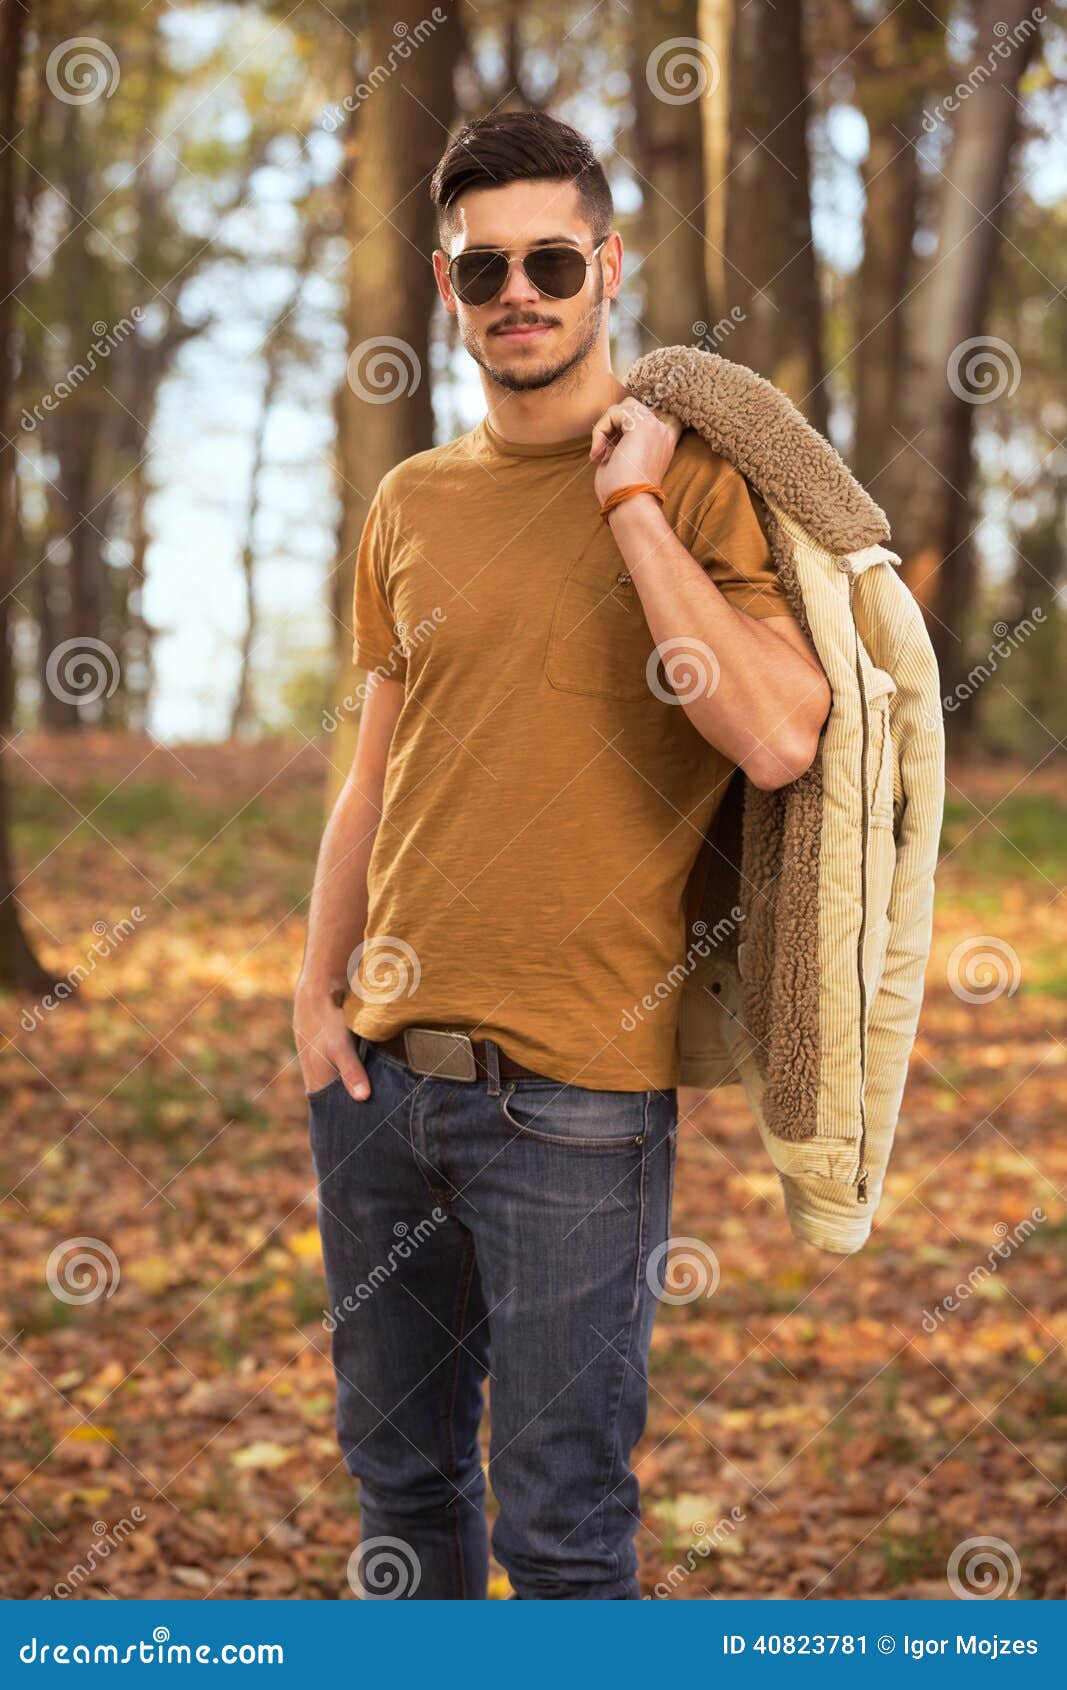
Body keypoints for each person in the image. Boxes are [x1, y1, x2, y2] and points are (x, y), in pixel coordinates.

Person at [294, 109, 830, 1601]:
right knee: (401, 1495)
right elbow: (373, 774)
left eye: (550, 261)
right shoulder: (411, 501)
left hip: (579, 1102)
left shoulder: (700, 481)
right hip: (377, 1086)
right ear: (449, 284)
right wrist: (314, 994)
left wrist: (631, 502)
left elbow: (778, 735)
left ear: (608, 265)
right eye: (484, 268)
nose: (517, 292)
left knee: (565, 1534)